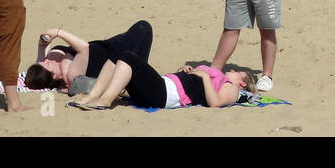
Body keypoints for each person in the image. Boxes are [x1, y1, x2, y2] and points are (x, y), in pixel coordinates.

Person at [70, 55, 256, 111]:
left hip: (166, 94)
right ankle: (92, 96)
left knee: (128, 57)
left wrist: (205, 77)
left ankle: (104, 102)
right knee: (118, 54)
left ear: (242, 84)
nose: (230, 71)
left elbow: (215, 103)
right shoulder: (222, 79)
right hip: (164, 85)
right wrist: (188, 71)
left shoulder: (232, 89)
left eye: (236, 73)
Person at [25, 21, 155, 93]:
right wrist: (59, 33)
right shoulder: (71, 74)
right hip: (117, 54)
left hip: (108, 44)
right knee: (144, 28)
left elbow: (42, 46)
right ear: (54, 76)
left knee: (137, 34)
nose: (46, 59)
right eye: (47, 64)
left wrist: (43, 39)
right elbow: (84, 47)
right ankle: (139, 71)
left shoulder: (42, 67)